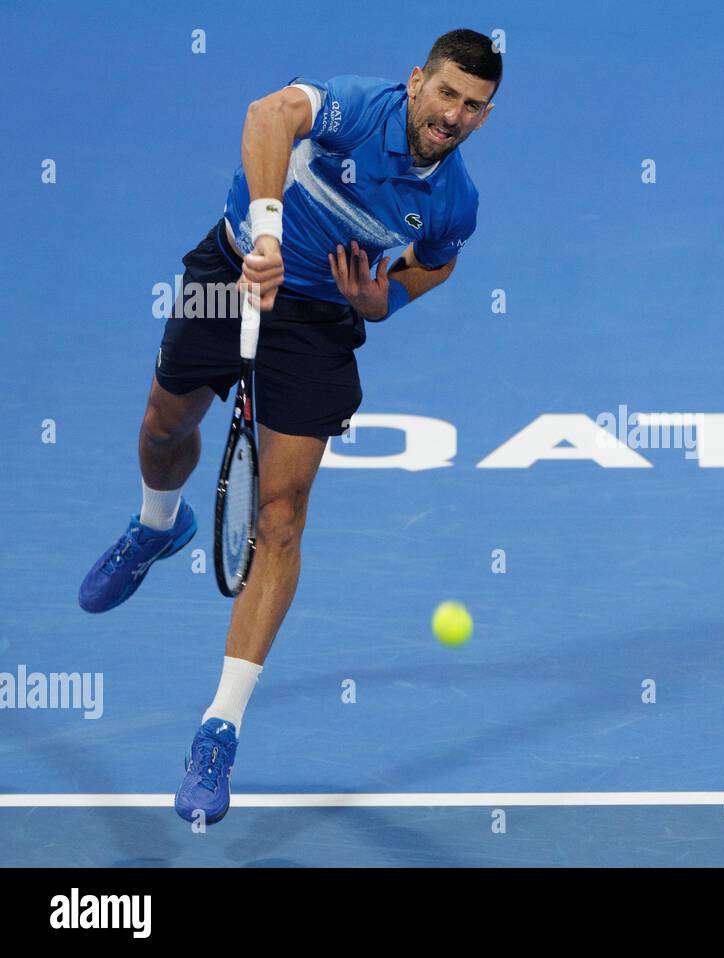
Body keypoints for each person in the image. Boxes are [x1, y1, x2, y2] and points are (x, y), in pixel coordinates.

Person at [76, 28, 502, 826]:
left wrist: (387, 300)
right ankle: (157, 526)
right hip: (235, 270)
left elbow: (439, 258)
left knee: (281, 515)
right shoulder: (356, 105)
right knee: (164, 426)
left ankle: (218, 729)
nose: (454, 115)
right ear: (418, 83)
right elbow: (269, 116)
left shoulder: (454, 199)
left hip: (317, 326)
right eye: (447, 93)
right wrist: (267, 235)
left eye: (475, 107)